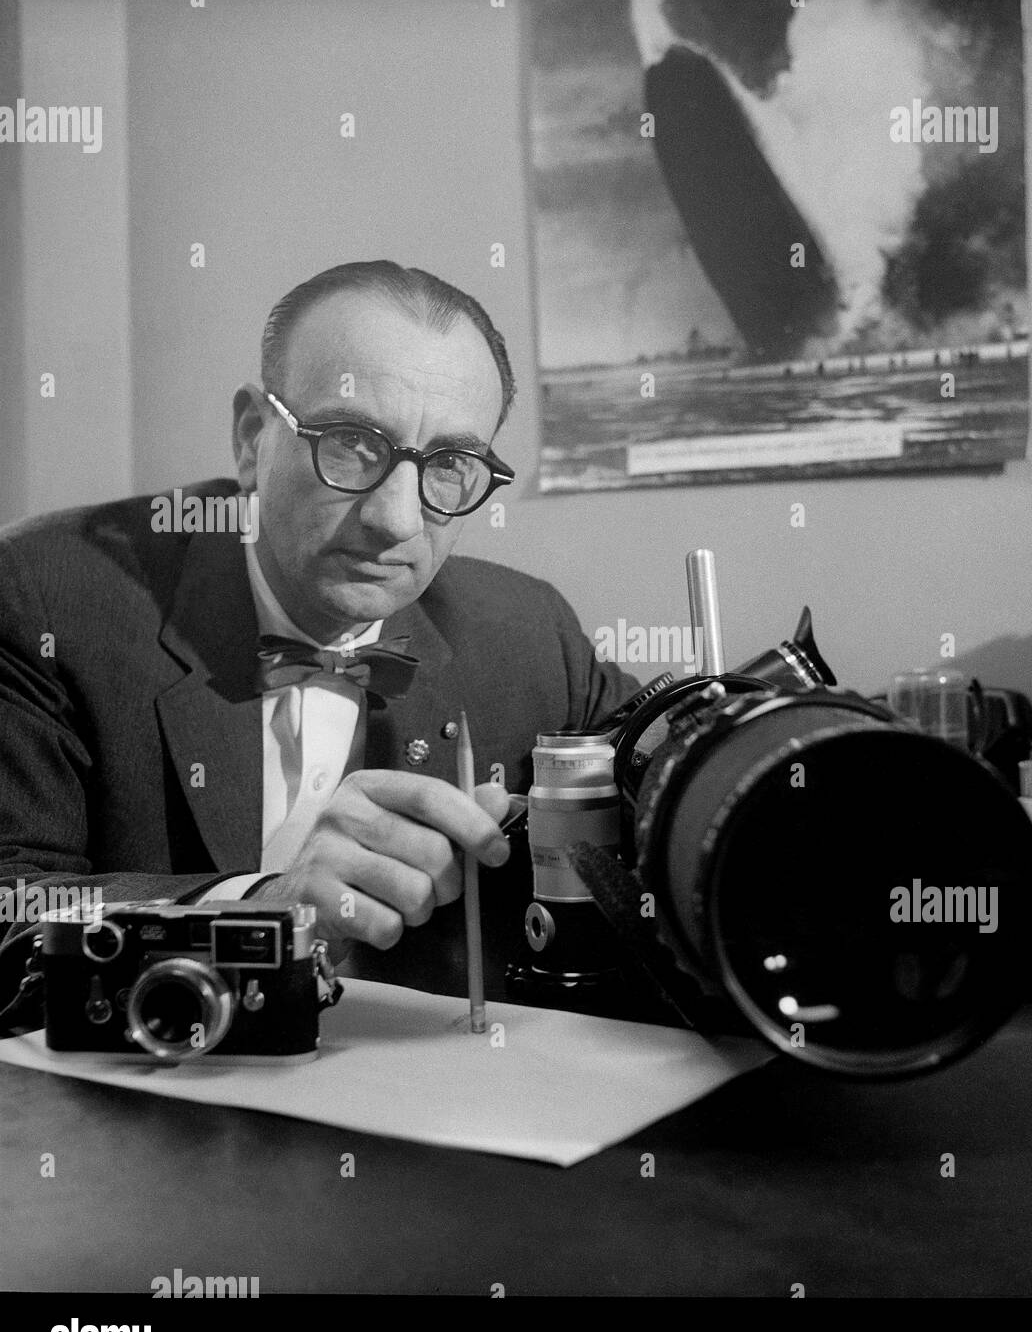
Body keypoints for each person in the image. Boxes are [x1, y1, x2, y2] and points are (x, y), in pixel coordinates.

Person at [0, 260, 639, 1026]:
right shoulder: (48, 597)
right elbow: (14, 908)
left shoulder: (527, 632)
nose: (396, 520)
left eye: (451, 465)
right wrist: (263, 909)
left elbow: (662, 768)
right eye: (352, 444)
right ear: (251, 438)